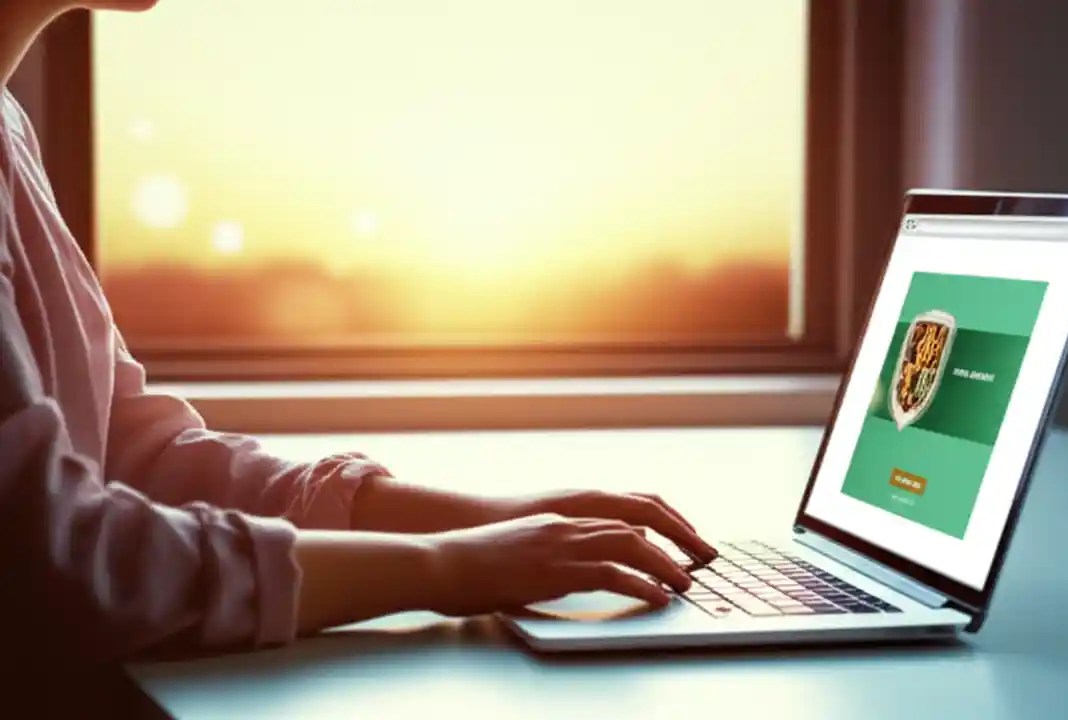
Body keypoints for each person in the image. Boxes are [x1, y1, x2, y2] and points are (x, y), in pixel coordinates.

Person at [0, 0, 715, 661]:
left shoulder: (10, 124)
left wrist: (480, 522)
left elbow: (132, 456)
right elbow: (54, 566)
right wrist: (450, 567)